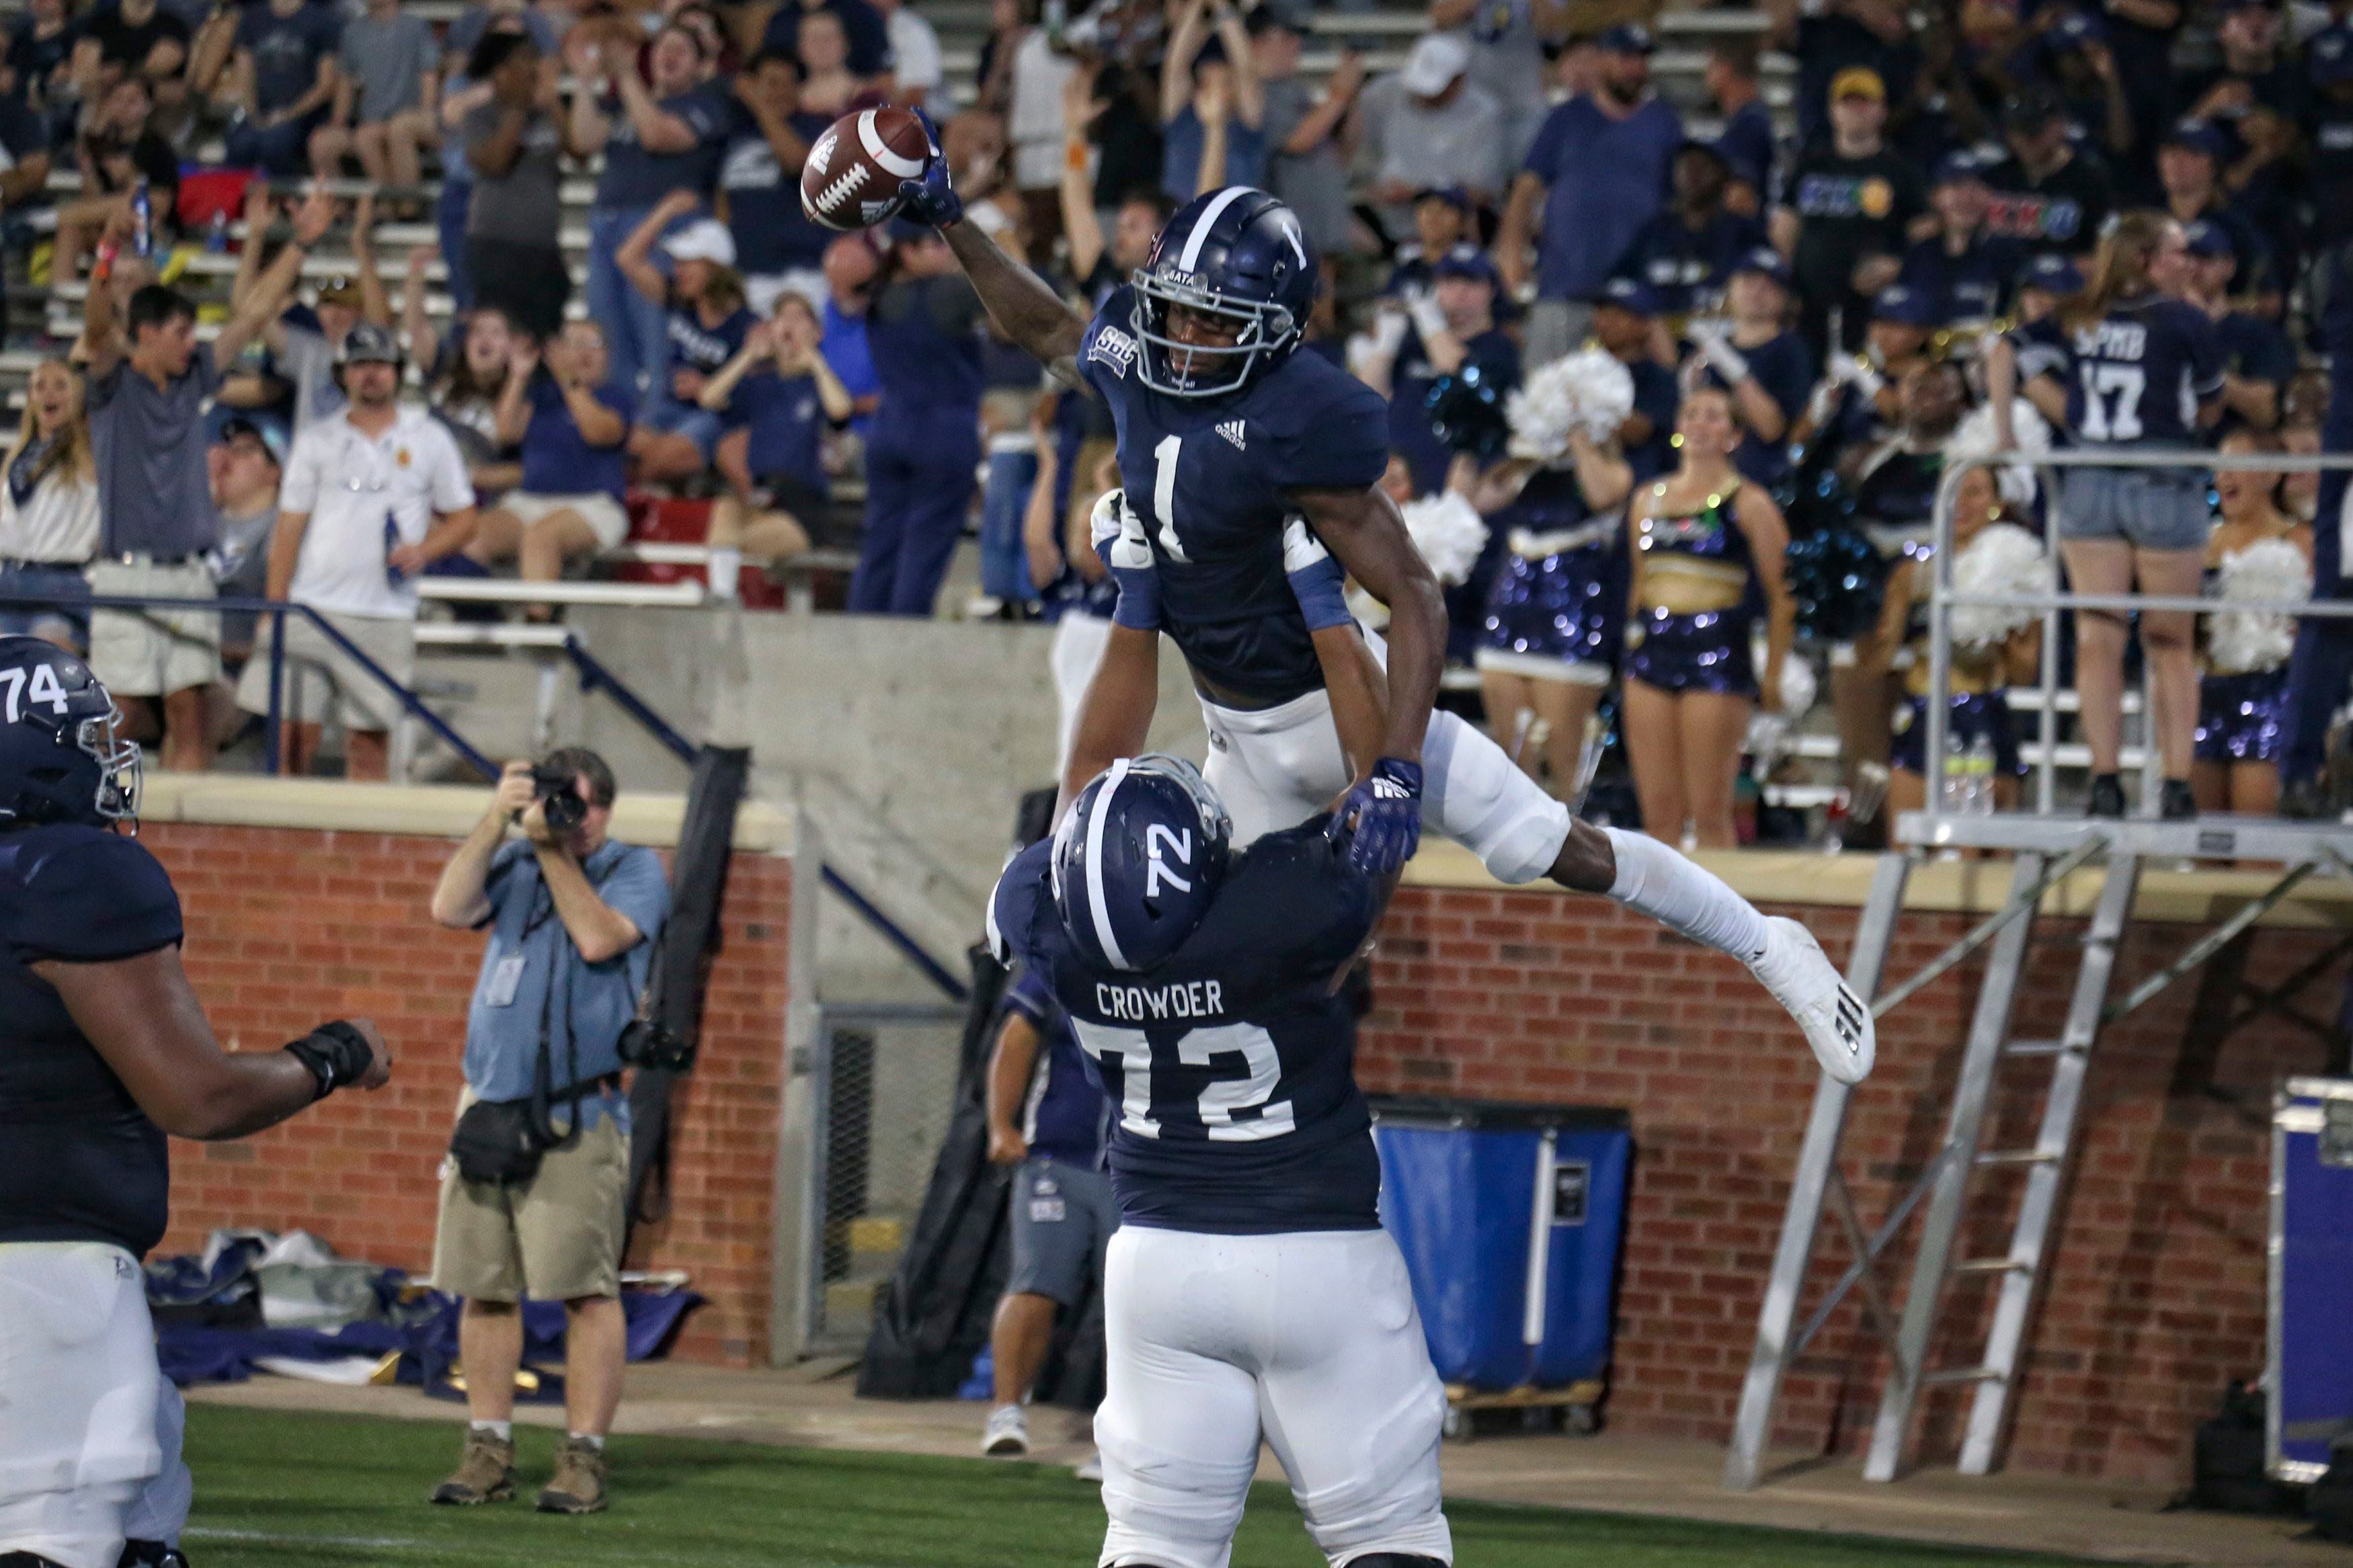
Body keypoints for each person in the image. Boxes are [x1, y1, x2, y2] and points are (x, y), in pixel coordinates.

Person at [896, 157, 1874, 1083]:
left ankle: (1766, 942)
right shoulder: (1141, 360)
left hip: (1340, 699)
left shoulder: (1305, 416)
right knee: (1242, 960)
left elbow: (1413, 593)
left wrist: (1399, 768)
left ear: (1274, 332)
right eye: (1177, 310)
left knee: (1557, 848)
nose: (1185, 337)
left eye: (1212, 321)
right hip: (1234, 737)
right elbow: (1049, 330)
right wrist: (951, 220)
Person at [988, 755, 1451, 1566]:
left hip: (1159, 1268)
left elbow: (1034, 880)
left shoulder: (1050, 925)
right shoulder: (1273, 907)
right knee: (1389, 1538)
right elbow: (1363, 837)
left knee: (1154, 1544)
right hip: (1316, 1256)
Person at [0, 635, 389, 1568]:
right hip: (46, 1292)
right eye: (86, 737)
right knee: (62, 1546)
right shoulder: (73, 873)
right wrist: (333, 1055)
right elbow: (197, 1096)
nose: (107, 757)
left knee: (144, 1540)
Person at [426, 748, 670, 1518]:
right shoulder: (516, 854)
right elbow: (449, 906)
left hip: (579, 1110)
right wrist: (497, 816)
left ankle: (583, 1457)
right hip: (490, 1104)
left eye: (592, 804)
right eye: (567, 800)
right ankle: (487, 1447)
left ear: (611, 809)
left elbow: (599, 938)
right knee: (483, 1285)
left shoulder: (636, 868)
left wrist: (548, 847)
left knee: (584, 1290)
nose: (579, 815)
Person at [81, 192, 329, 773]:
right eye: (179, 331)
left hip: (191, 573)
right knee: (116, 714)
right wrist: (107, 251)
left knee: (190, 710)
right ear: (144, 334)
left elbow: (253, 314)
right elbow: (95, 328)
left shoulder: (194, 379)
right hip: (126, 571)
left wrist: (301, 244)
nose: (191, 342)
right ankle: (106, 835)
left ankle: (183, 845)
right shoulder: (111, 383)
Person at [235, 323, 477, 780]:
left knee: (369, 746)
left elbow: (465, 518)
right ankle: (284, 840)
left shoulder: (429, 437)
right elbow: (289, 526)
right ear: (343, 373)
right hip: (310, 607)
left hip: (384, 614)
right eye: (361, 365)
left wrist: (425, 550)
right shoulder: (317, 439)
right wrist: (275, 601)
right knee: (288, 740)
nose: (371, 375)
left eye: (381, 365)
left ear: (398, 373)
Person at [2055, 212, 2221, 820]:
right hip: (2161, 477)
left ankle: (2105, 779)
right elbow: (2207, 408)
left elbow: (2008, 354)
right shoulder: (2184, 319)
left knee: (2099, 641)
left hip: (2090, 478)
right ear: (2146, 260)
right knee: (2171, 641)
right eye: (2178, 253)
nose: (2190, 262)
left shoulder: (2079, 315)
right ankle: (2176, 781)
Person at [1620, 384, 1796, 850]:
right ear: (1678, 427)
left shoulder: (1749, 501)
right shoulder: (1647, 498)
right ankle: (1662, 920)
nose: (1701, 424)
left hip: (1716, 648)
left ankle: (1717, 922)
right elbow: (1640, 583)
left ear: (1735, 434)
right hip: (1653, 646)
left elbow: (1783, 593)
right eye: (1692, 413)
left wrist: (1774, 672)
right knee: (1658, 812)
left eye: (1715, 416)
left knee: (1710, 809)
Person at [980, 963, 1114, 1467]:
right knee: (1034, 1283)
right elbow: (1018, 1033)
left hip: (1139, 1163)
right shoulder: (1064, 955)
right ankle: (1006, 1410)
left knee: (1135, 1308)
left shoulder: (1178, 960)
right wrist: (1000, 1124)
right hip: (1057, 1156)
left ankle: (1123, 1436)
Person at [1498, 24, 1682, 366]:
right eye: (1626, 58)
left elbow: (1681, 199)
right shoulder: (1567, 118)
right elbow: (1526, 189)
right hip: (1566, 285)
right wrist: (1510, 249)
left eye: (1642, 59)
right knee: (1544, 398)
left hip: (1637, 296)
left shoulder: (1664, 122)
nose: (1635, 69)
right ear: (1601, 61)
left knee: (1640, 404)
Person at [1474, 431, 1633, 807]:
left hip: (1571, 616)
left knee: (1565, 757)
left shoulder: (1611, 468)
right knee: (1513, 752)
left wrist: (1578, 436)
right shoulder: (1525, 470)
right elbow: (1474, 501)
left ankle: (1569, 844)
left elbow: (1602, 495)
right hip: (1511, 611)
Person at [1879, 452, 2041, 819]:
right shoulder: (1913, 573)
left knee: (1979, 859)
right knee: (1906, 847)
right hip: (1920, 715)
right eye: (1952, 492)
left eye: (1975, 493)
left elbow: (2024, 672)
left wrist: (1994, 620)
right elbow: (1880, 658)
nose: (1961, 504)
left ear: (1997, 504)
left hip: (1982, 719)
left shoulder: (2020, 572)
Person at [574, 20, 729, 395]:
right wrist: (583, 81)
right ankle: (623, 422)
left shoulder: (706, 104)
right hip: (607, 224)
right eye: (663, 47)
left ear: (699, 65)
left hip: (661, 229)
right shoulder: (628, 101)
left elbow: (658, 137)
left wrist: (628, 78)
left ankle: (658, 417)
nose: (669, 56)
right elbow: (583, 141)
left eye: (681, 50)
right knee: (607, 334)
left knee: (658, 332)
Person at [846, 220, 985, 616]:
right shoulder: (949, 292)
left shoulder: (880, 296)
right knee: (924, 547)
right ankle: (901, 647)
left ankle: (861, 636)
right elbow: (1006, 300)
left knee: (880, 542)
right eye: (935, 245)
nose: (946, 252)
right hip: (944, 428)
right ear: (907, 251)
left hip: (889, 426)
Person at [468, 322, 635, 618]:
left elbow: (599, 432)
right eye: (574, 343)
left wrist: (570, 381)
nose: (582, 352)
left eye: (592, 344)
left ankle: (540, 625)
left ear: (607, 355)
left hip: (593, 504)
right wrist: (518, 376)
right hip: (530, 500)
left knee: (540, 535)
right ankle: (475, 615)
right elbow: (505, 431)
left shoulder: (614, 397)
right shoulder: (543, 396)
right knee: (472, 534)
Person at [2195, 429, 2312, 816]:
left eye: (2236, 466)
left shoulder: (2299, 540)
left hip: (2269, 697)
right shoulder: (2201, 544)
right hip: (2204, 696)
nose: (2224, 477)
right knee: (2199, 848)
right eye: (2221, 467)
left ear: (2270, 474)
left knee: (2256, 849)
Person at [1772, 65, 1925, 360]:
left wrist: (1897, 265)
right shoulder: (1811, 165)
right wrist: (1788, 282)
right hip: (1810, 302)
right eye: (1847, 103)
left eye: (1865, 103)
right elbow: (1784, 225)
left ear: (1882, 111)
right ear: (1833, 112)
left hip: (1871, 306)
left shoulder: (1900, 170)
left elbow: (1924, 228)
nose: (1856, 111)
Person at [696, 291, 846, 591]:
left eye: (798, 317)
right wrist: (749, 355)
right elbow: (709, 397)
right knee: (725, 510)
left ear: (816, 332)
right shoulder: (761, 383)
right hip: (761, 496)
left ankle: (721, 590)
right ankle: (722, 595)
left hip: (802, 505)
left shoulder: (818, 384)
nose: (788, 324)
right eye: (781, 317)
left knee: (740, 543)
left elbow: (841, 410)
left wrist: (815, 361)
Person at [616, 194, 757, 485]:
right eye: (677, 263)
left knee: (661, 458)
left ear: (715, 267)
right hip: (668, 410)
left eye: (687, 263)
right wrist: (666, 211)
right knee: (621, 442)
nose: (678, 272)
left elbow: (756, 396)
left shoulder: (747, 326)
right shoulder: (678, 301)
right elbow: (627, 258)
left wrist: (707, 387)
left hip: (716, 420)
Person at [461, 28, 580, 345]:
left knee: (543, 340)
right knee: (499, 337)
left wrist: (553, 103)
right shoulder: (480, 116)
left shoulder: (546, 114)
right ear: (500, 71)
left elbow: (578, 152)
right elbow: (495, 162)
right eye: (526, 59)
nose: (535, 67)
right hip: (496, 247)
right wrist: (518, 110)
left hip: (543, 248)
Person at [1355, 33, 1510, 245]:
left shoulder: (1483, 113)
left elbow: (1483, 193)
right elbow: (1360, 149)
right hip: (1386, 218)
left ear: (1459, 81)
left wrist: (1417, 193)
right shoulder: (1384, 93)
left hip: (1454, 226)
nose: (1423, 95)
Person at [1687, 247, 1814, 491]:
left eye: (1770, 285)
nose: (1757, 291)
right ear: (1730, 287)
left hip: (1761, 481)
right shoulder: (1710, 350)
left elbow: (1772, 428)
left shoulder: (1790, 349)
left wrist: (1736, 372)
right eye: (1748, 280)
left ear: (1785, 298)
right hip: (1707, 477)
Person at [0, 360, 100, 653]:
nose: (49, 394)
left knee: (46, 665)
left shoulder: (88, 453)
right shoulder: (17, 457)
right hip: (10, 579)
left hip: (61, 583)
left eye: (61, 386)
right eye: (39, 386)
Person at [721, 49, 832, 316]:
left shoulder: (815, 128)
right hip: (748, 272)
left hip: (804, 272)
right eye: (772, 83)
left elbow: (796, 163)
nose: (783, 91)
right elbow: (723, 197)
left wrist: (760, 106)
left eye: (790, 83)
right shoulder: (737, 133)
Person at [1610, 138, 1762, 320]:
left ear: (1721, 175)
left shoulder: (1742, 232)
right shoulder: (1654, 230)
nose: (1691, 176)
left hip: (1719, 336)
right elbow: (1617, 282)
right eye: (1684, 167)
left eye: (1701, 167)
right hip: (1656, 336)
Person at [50, 74, 169, 286]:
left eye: (132, 101)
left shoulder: (155, 148)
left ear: (147, 107)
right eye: (118, 99)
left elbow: (159, 204)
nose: (124, 106)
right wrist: (89, 171)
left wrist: (130, 177)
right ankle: (60, 303)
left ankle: (51, 217)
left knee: (72, 217)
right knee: (70, 230)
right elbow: (94, 198)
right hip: (106, 228)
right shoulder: (102, 145)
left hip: (145, 233)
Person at [311, 0, 438, 190]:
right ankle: (339, 212)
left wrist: (426, 112)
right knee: (322, 143)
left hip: (405, 117)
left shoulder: (415, 27)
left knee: (371, 136)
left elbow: (429, 73)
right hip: (368, 121)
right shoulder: (352, 32)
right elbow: (345, 82)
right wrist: (338, 122)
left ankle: (398, 206)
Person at [1982, 86, 2113, 259]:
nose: (2025, 140)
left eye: (2033, 130)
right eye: (2017, 131)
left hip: (2065, 282)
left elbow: (2108, 248)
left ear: (2059, 126)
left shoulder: (2088, 178)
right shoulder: (1996, 177)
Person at [219, 0, 344, 177]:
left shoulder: (323, 21)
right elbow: (244, 74)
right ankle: (233, 202)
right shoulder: (252, 18)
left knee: (275, 143)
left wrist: (286, 115)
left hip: (304, 117)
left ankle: (282, 202)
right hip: (259, 115)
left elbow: (326, 86)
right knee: (240, 144)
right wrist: (254, 113)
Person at [1899, 150, 2019, 329]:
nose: (1967, 198)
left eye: (1978, 187)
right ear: (1935, 197)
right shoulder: (1918, 254)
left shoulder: (2006, 253)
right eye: (1956, 186)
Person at [209, 415, 285, 669]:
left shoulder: (280, 530)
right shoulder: (203, 524)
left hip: (249, 669)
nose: (228, 458)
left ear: (275, 470)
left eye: (244, 451)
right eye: (228, 449)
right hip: (194, 663)